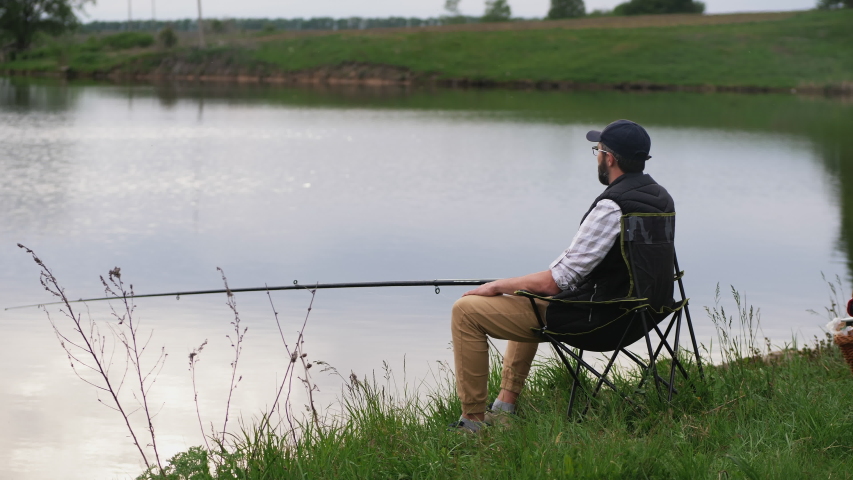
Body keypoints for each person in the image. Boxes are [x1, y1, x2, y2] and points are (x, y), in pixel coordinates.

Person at [449, 119, 675, 433]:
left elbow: (556, 281)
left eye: (597, 150)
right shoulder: (660, 198)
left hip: (601, 320)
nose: (597, 156)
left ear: (609, 158)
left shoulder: (613, 205)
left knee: (466, 311)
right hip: (644, 314)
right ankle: (504, 406)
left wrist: (497, 285)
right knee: (527, 293)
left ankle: (472, 423)